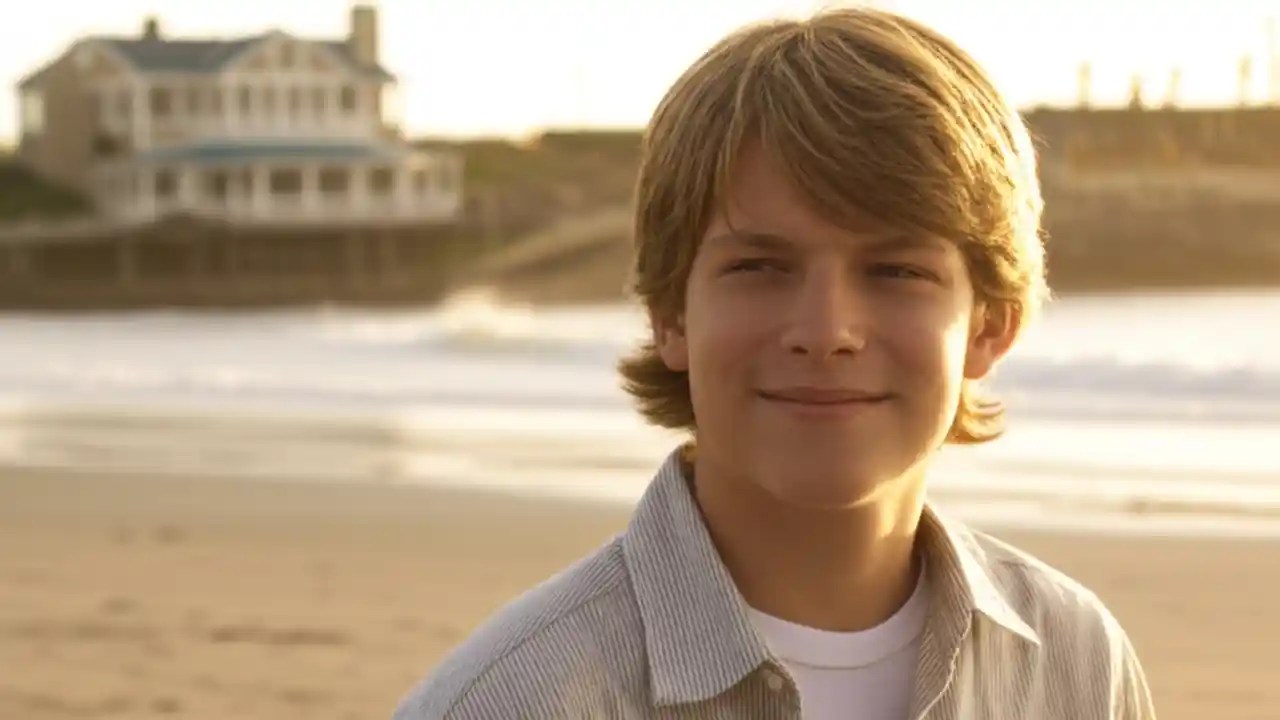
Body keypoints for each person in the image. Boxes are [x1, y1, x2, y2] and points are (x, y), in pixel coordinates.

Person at [395, 6, 1156, 719]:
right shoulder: (513, 700)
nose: (826, 332)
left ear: (992, 324)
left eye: (895, 271)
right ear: (670, 315)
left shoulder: (1076, 664)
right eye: (760, 267)